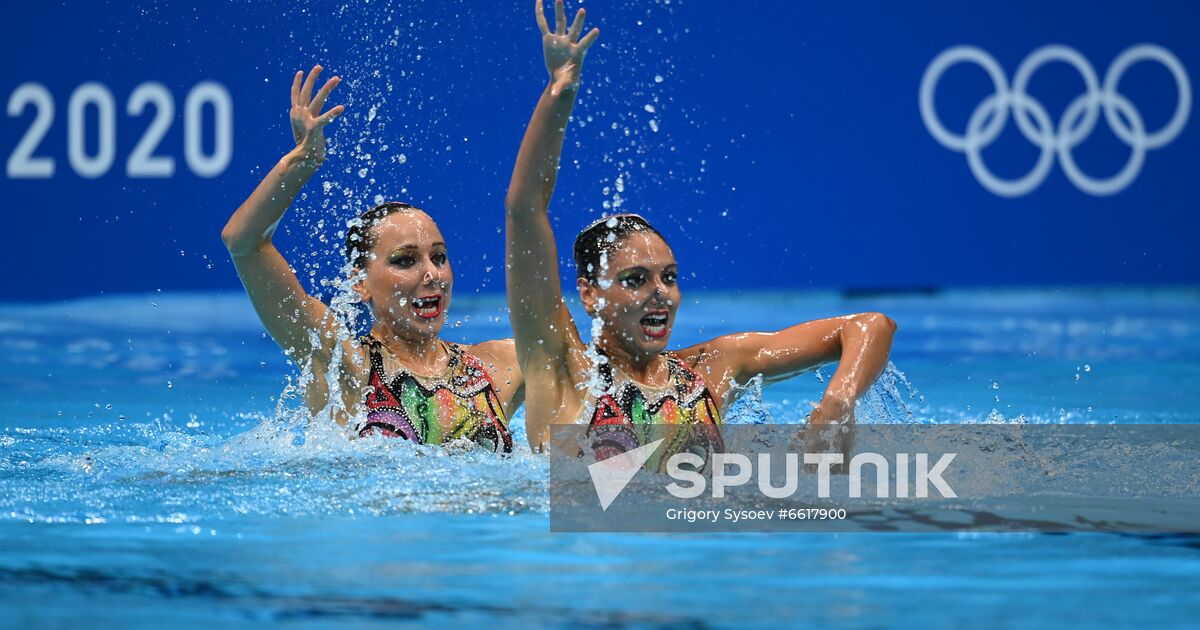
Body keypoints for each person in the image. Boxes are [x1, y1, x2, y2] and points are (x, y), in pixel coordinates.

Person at [505, 0, 896, 455]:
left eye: (669, 277)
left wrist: (838, 402)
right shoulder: (560, 365)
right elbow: (524, 207)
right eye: (635, 280)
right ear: (590, 293)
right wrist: (561, 91)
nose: (660, 293)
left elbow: (870, 325)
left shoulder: (710, 370)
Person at [222, 65, 523, 452]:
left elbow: (606, 412)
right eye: (404, 260)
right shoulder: (344, 365)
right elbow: (243, 243)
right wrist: (302, 163)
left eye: (440, 257)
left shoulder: (500, 366)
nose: (432, 274)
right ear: (358, 282)